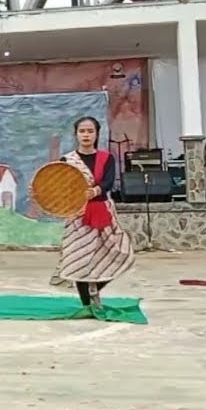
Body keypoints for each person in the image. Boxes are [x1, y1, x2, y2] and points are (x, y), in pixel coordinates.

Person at [52, 116, 135, 309]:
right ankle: (86, 306)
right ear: (76, 134)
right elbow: (60, 186)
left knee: (121, 253)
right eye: (82, 131)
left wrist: (94, 191)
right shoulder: (67, 160)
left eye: (90, 131)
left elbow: (108, 182)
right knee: (78, 258)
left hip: (103, 211)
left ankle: (96, 286)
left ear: (97, 134)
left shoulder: (106, 158)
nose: (86, 135)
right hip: (78, 215)